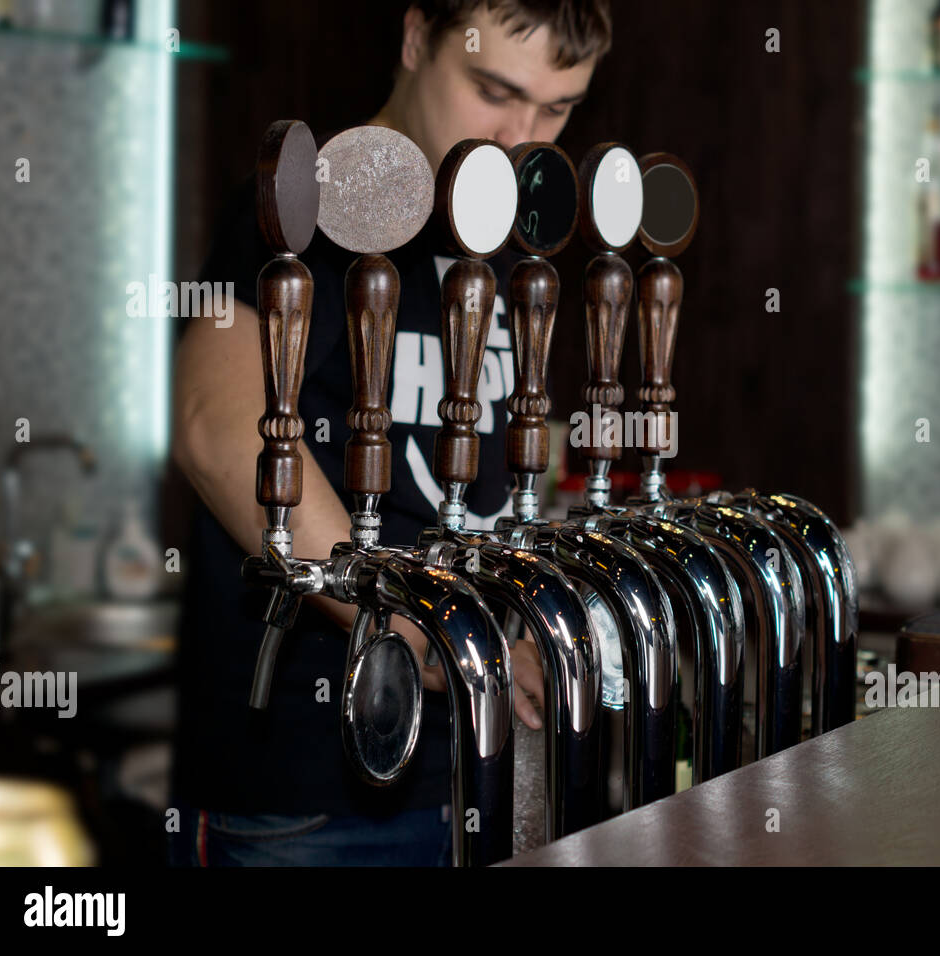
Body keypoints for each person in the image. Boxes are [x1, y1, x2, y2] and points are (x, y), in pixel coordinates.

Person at [168, 0, 612, 867]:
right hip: (310, 793)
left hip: (475, 767)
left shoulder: (512, 239)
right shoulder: (317, 198)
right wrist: (427, 631)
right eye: (493, 89)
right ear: (415, 40)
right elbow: (214, 428)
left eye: (556, 109)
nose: (520, 135)